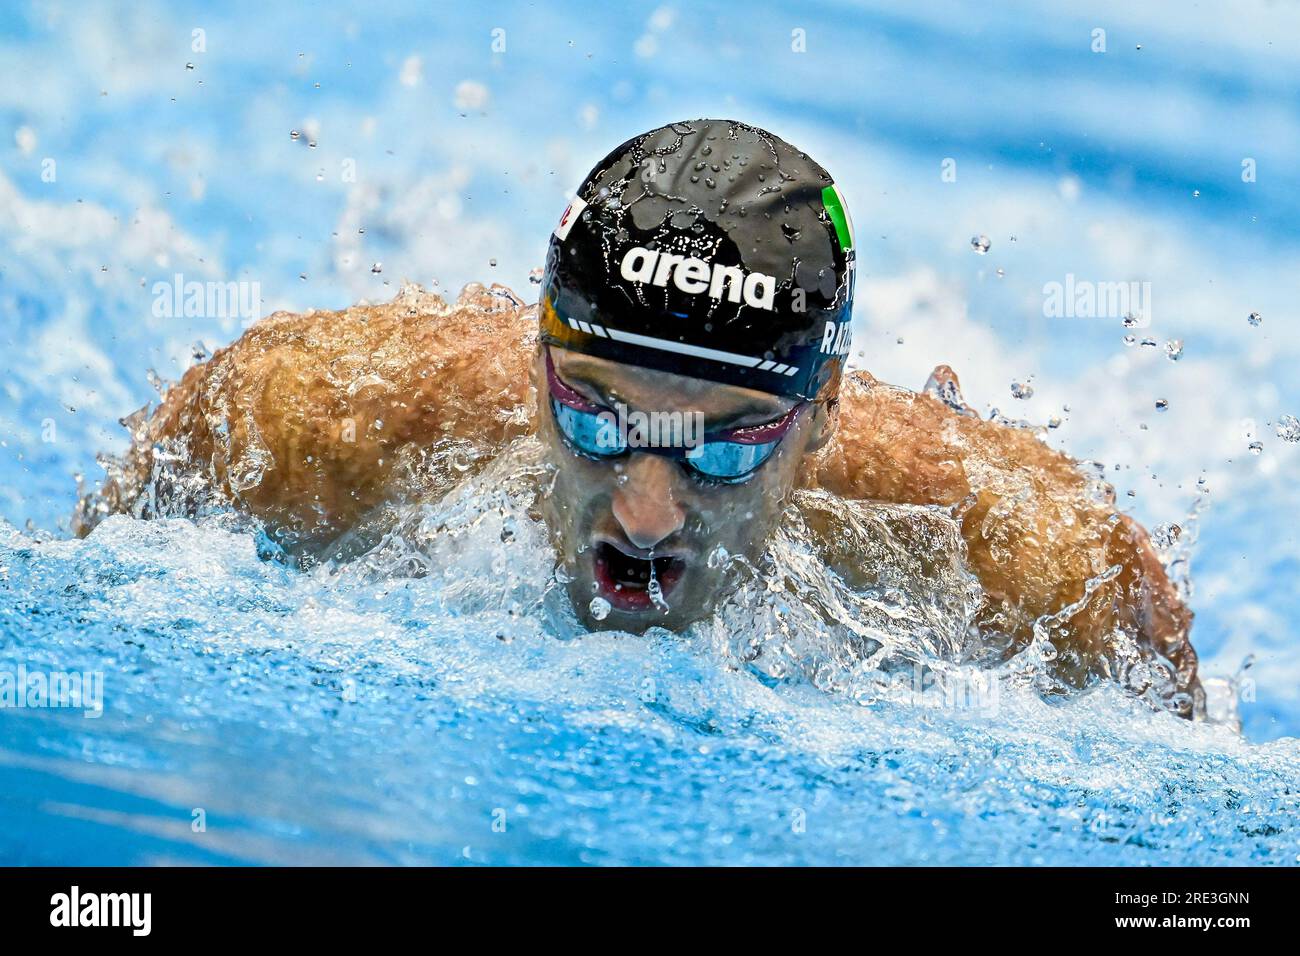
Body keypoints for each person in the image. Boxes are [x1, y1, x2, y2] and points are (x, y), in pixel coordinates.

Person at [73, 119, 1202, 715]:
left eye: (723, 442)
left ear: (824, 419)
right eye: (600, 419)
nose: (648, 513)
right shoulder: (311, 421)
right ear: (533, 370)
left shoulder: (1031, 561)